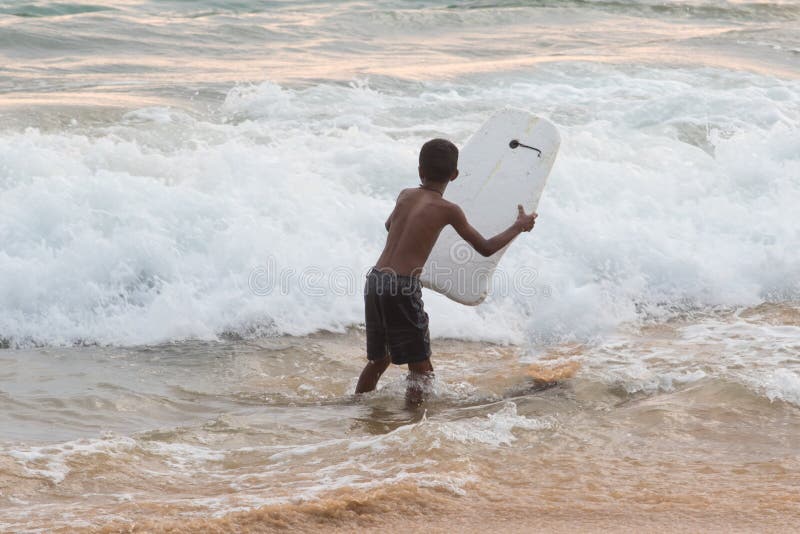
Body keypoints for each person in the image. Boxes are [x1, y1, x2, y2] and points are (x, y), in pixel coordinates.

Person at [355, 138, 538, 405]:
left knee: (379, 358)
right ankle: (412, 427)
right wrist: (518, 226)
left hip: (375, 280)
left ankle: (357, 407)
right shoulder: (448, 210)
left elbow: (388, 226)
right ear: (454, 175)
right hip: (402, 288)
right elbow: (485, 248)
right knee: (421, 372)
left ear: (420, 170)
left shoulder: (405, 195)